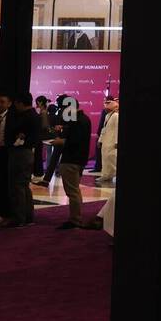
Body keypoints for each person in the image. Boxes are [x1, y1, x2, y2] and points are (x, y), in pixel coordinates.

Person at [50, 95, 94, 229]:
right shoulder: (83, 119)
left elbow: (74, 141)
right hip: (78, 159)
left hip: (71, 159)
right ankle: (76, 217)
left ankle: (75, 219)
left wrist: (60, 141)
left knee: (72, 191)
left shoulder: (77, 121)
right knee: (75, 190)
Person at [2, 92, 42, 228]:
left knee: (17, 185)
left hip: (21, 153)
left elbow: (16, 133)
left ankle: (19, 218)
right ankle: (28, 217)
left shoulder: (26, 117)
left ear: (20, 103)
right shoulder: (35, 116)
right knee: (24, 186)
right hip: (27, 153)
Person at [97, 96, 119, 187]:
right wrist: (100, 140)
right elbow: (104, 129)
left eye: (107, 108)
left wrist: (117, 142)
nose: (105, 109)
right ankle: (106, 175)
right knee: (105, 158)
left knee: (112, 159)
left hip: (112, 141)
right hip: (105, 141)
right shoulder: (107, 116)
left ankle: (115, 175)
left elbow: (118, 129)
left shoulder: (116, 116)